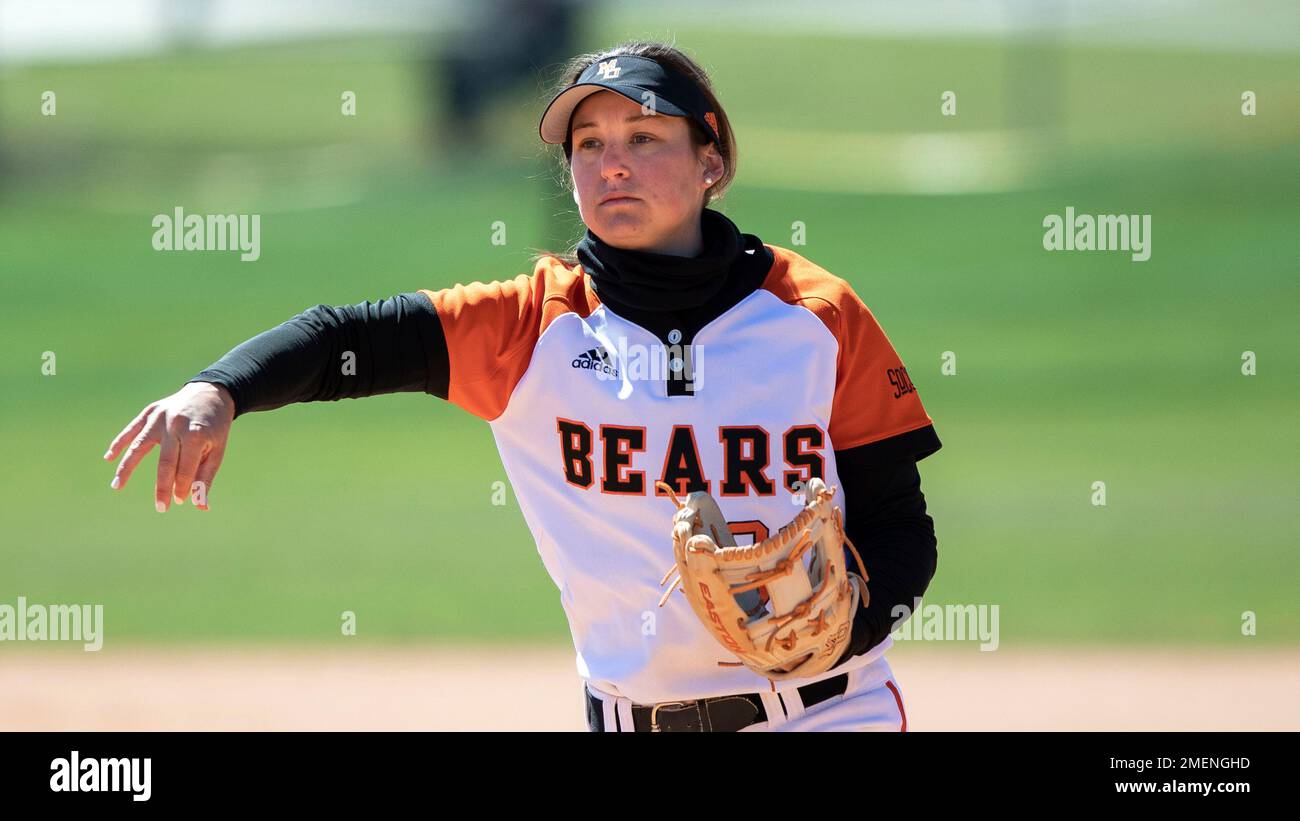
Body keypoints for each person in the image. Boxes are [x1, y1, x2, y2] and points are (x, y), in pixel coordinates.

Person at [103, 41, 942, 732]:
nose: (613, 165)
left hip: (827, 713)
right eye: (589, 145)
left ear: (711, 157)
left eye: (644, 137)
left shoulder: (815, 315)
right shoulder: (530, 326)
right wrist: (219, 389)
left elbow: (902, 527)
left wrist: (844, 630)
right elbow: (344, 340)